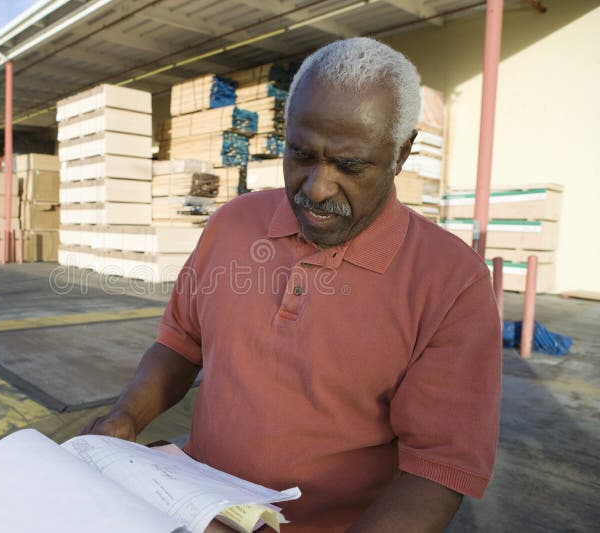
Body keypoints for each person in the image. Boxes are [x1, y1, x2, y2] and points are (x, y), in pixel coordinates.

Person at [84, 37, 502, 532]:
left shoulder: (452, 283)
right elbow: (181, 343)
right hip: (197, 508)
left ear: (401, 153)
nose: (317, 187)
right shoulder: (232, 225)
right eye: (301, 155)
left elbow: (437, 469)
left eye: (350, 165)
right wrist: (127, 416)